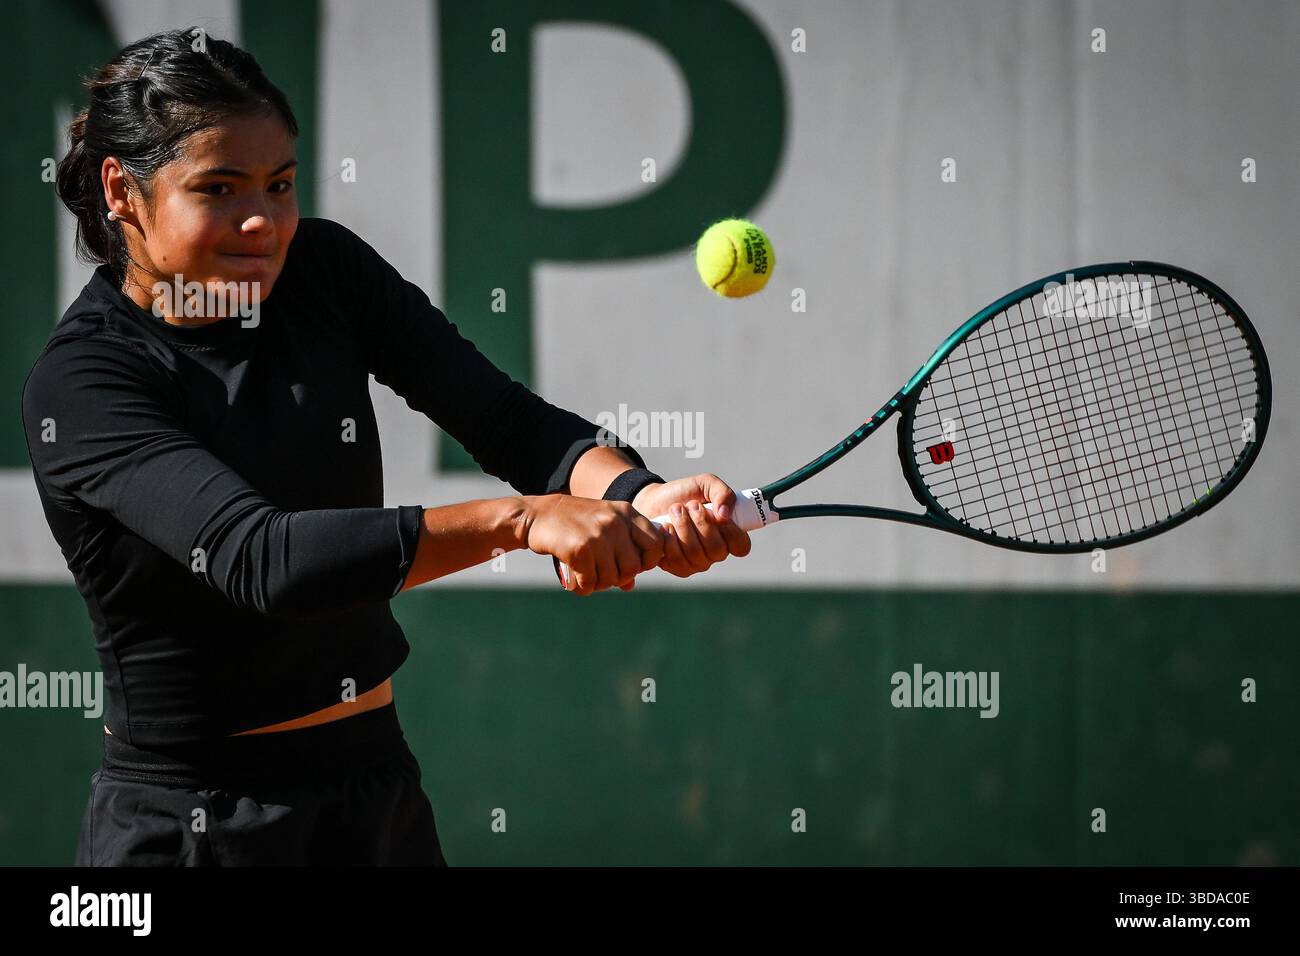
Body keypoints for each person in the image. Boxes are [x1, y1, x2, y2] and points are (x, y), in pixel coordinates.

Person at [22, 28, 750, 866]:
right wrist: (524, 522)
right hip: (192, 826)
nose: (262, 219)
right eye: (218, 188)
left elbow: (503, 417)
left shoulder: (322, 271)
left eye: (280, 184)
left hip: (375, 799)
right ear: (123, 190)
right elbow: (263, 561)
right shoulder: (81, 383)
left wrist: (633, 494)